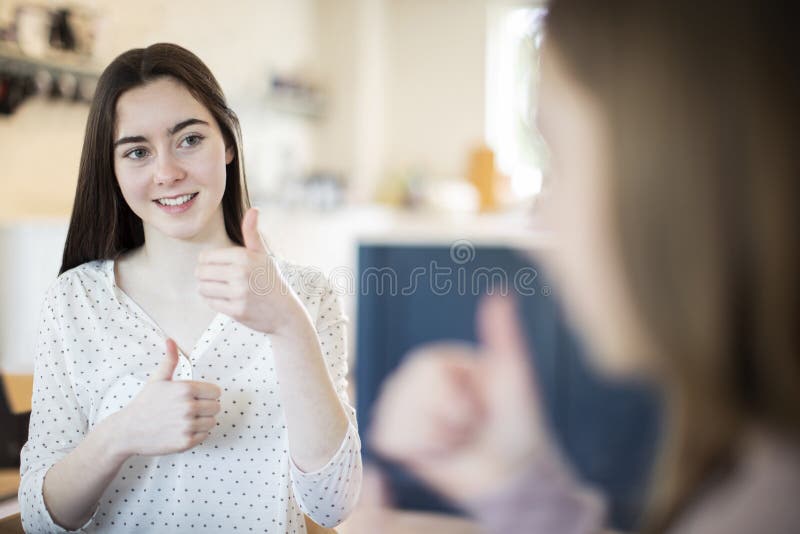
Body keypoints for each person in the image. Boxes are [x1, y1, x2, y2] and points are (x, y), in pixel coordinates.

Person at [370, 1, 800, 533]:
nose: (537, 230)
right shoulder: (757, 473)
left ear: (690, 171)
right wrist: (516, 488)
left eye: (557, 162)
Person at [19, 43, 362, 533]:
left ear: (226, 143)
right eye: (137, 152)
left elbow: (333, 506)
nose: (167, 172)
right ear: (113, 171)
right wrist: (121, 433)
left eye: (189, 140)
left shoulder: (305, 295)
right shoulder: (74, 300)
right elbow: (38, 519)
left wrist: (288, 324)